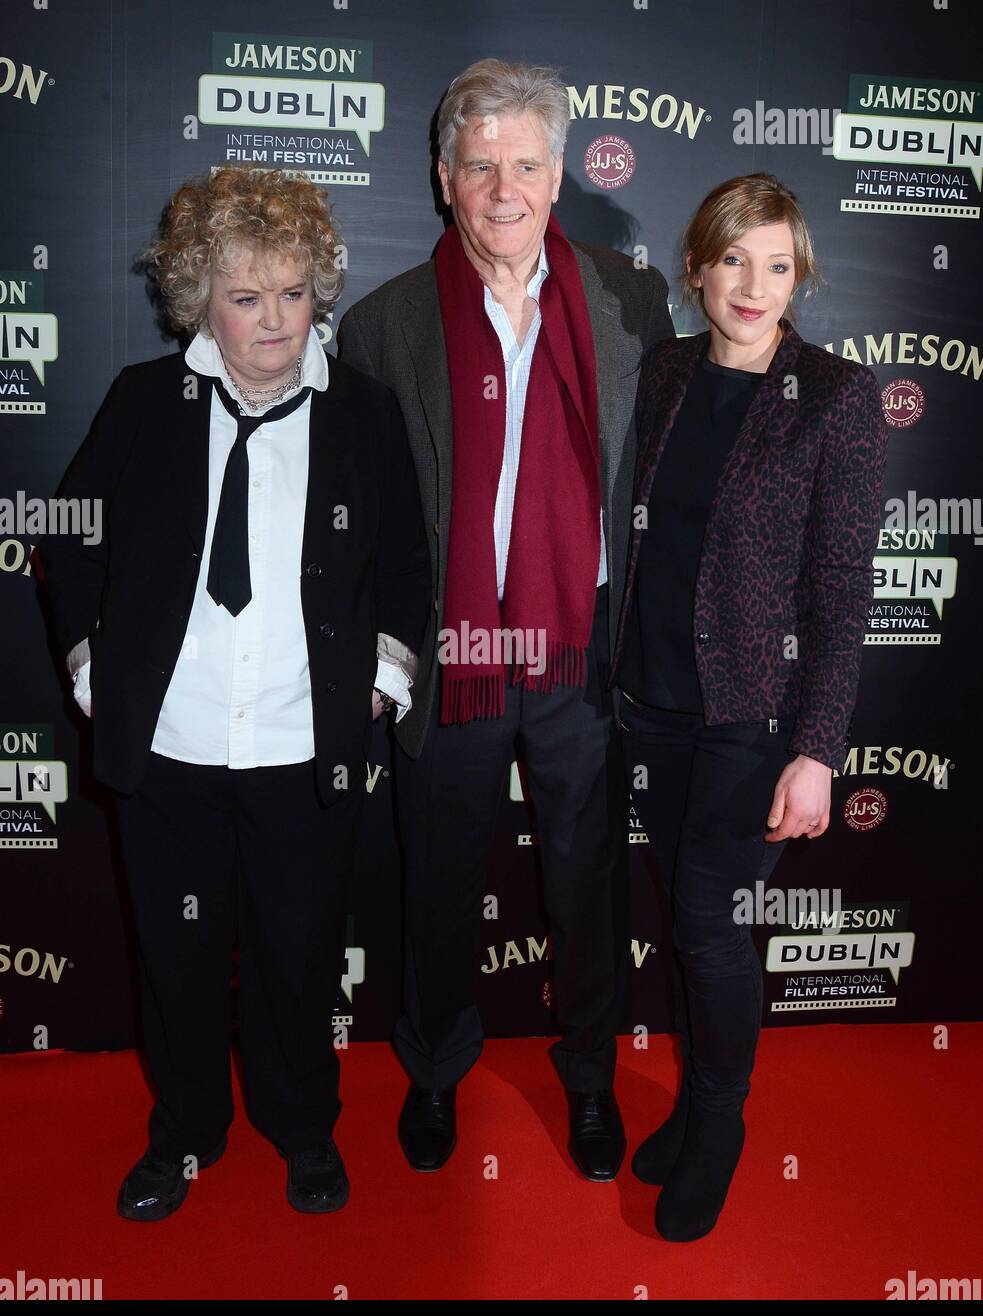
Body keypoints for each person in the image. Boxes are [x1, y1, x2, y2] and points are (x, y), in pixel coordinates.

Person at [37, 166, 430, 1220]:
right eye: (245, 297)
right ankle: (184, 1134)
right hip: (169, 747)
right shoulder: (141, 404)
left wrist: (383, 684)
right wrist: (90, 672)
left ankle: (303, 1129)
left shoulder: (364, 414)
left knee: (300, 959)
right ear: (198, 299)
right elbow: (69, 544)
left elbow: (403, 568)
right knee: (176, 955)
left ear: (319, 294)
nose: (273, 322)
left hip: (307, 749)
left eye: (293, 294)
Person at [338, 58, 674, 1181]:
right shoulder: (383, 325)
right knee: (434, 879)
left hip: (575, 647)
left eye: (524, 164)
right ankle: (432, 1071)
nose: (501, 188)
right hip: (453, 654)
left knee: (586, 879)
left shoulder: (626, 303)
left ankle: (587, 1078)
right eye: (478, 165)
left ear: (558, 174)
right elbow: (369, 515)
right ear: (442, 178)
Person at [611, 172, 889, 1240]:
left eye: (776, 265)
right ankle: (692, 1102)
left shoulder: (833, 397)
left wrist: (815, 748)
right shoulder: (666, 371)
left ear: (797, 277)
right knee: (685, 930)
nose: (752, 284)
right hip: (650, 703)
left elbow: (839, 591)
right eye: (733, 258)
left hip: (752, 715)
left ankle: (718, 1124)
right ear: (696, 267)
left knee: (713, 930)